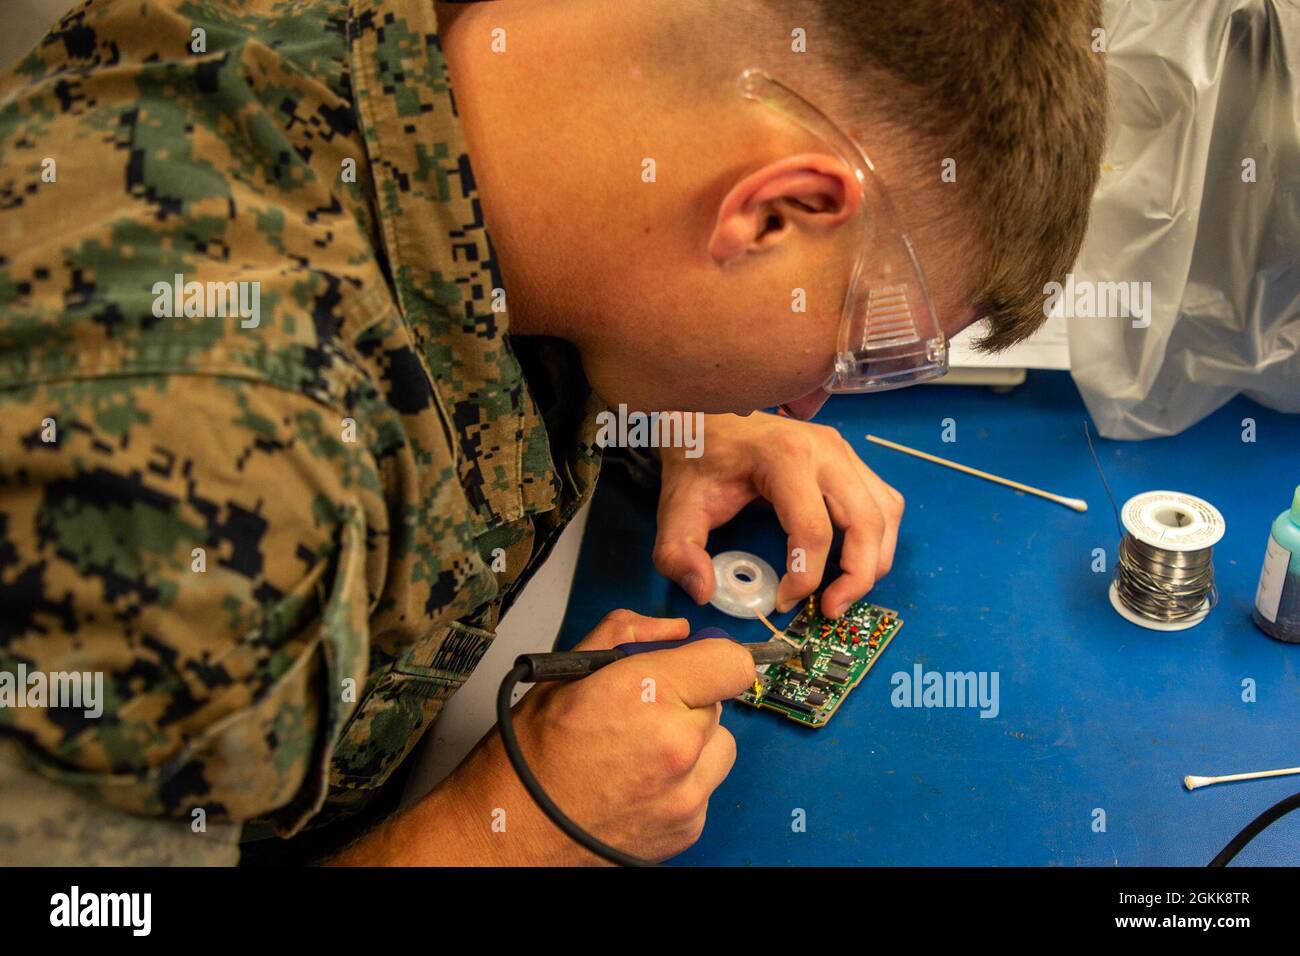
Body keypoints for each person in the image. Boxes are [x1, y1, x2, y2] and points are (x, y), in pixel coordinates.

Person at [0, 0, 1106, 864]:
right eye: (858, 353)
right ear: (772, 212)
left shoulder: (506, 86)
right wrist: (507, 827)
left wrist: (670, 399)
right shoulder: (192, 467)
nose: (809, 402)